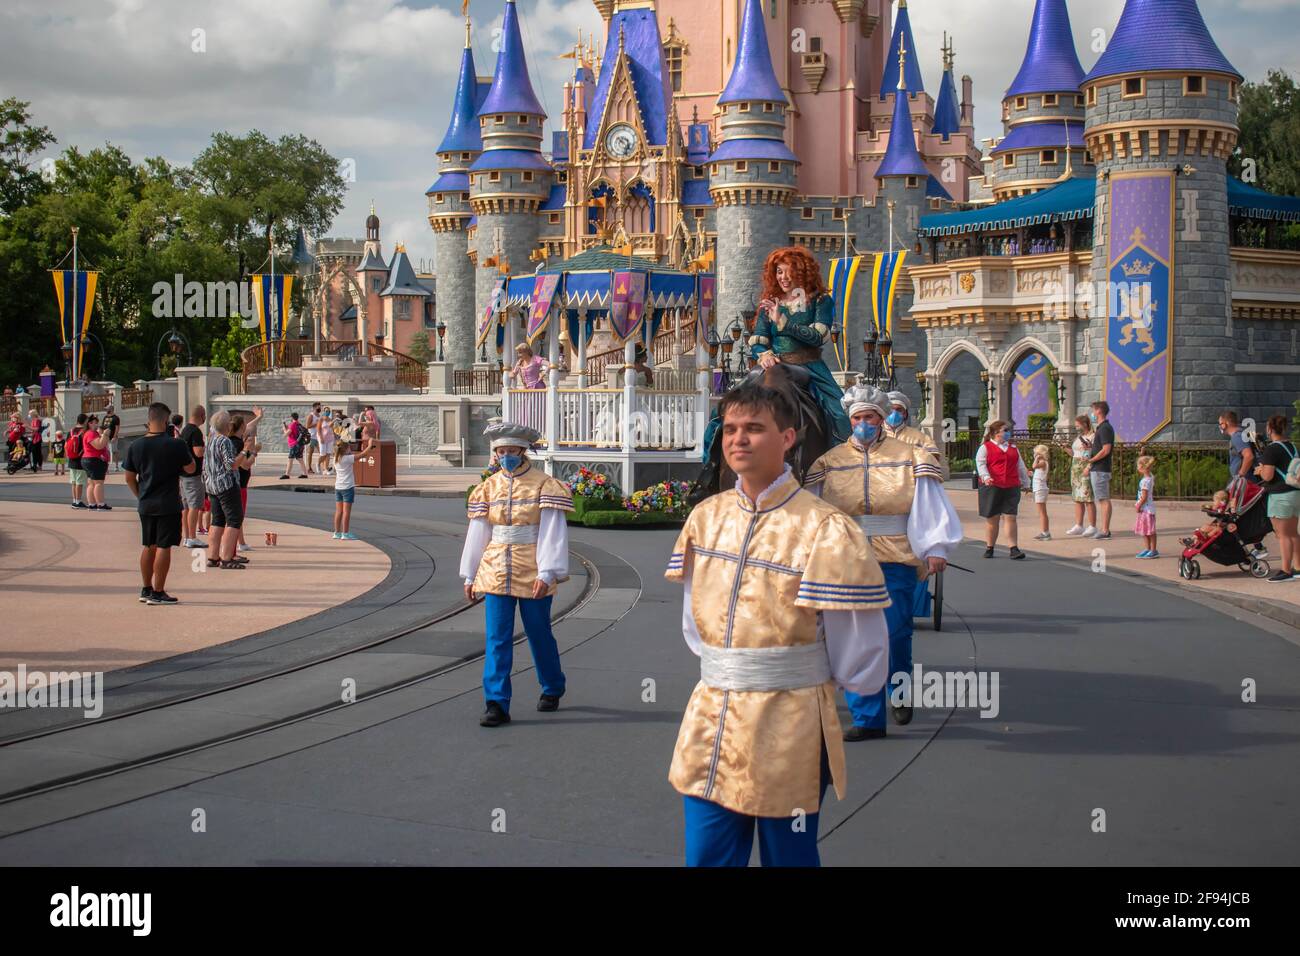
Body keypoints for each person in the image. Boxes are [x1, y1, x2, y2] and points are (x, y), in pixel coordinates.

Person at [665, 382, 890, 866]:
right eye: (730, 429)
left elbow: (860, 645)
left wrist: (807, 679)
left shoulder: (826, 528)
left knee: (788, 856)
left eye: (754, 429)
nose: (738, 440)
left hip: (790, 724)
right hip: (710, 718)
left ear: (788, 438)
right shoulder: (705, 518)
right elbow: (693, 624)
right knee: (706, 856)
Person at [805, 384, 962, 742]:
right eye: (858, 418)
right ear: (850, 420)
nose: (865, 423)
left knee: (895, 633)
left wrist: (935, 546)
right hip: (845, 559)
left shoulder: (911, 456)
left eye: (871, 417)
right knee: (853, 638)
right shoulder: (828, 462)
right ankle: (867, 717)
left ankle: (900, 691)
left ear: (881, 419)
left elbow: (928, 503)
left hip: (895, 557)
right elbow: (812, 513)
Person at [459, 421, 573, 728]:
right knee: (497, 637)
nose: (507, 455)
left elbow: (552, 531)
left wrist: (548, 571)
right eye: (502, 451)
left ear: (523, 451)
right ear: (496, 454)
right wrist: (469, 575)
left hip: (533, 567)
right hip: (496, 567)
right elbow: (479, 531)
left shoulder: (544, 485)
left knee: (538, 632)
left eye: (512, 450)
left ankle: (552, 686)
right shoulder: (488, 487)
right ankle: (496, 702)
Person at [749, 246, 850, 443]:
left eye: (789, 271)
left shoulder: (820, 301)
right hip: (775, 365)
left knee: (841, 413)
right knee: (731, 406)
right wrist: (764, 354)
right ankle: (714, 463)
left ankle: (843, 459)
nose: (783, 277)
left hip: (810, 367)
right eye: (779, 271)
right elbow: (759, 339)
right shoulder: (769, 303)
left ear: (802, 272)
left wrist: (783, 323)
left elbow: (817, 337)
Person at [123, 402, 197, 605]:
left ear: (149, 420)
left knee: (148, 544)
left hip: (146, 502)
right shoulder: (176, 444)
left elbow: (129, 476)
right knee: (164, 546)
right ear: (166, 421)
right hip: (168, 502)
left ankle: (146, 588)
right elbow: (191, 468)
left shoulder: (135, 445)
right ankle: (158, 591)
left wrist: (140, 495)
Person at [203, 410, 256, 570]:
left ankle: (213, 556)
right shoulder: (224, 441)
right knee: (234, 519)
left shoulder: (210, 440)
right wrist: (245, 450)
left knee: (217, 520)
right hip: (226, 485)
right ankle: (227, 557)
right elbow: (231, 464)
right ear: (226, 426)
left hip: (212, 486)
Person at [1254, 415, 1299, 583]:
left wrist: (1260, 471)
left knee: (1283, 535)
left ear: (1270, 429)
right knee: (1294, 533)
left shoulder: (1271, 449)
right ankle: (1298, 567)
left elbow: (1268, 475)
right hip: (1295, 492)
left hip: (1280, 495)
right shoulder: (1292, 446)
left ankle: (1286, 570)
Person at [976, 419, 1030, 559]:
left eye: (1008, 430)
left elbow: (1020, 466)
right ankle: (990, 547)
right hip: (992, 486)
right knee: (993, 518)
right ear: (996, 433)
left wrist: (1026, 482)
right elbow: (981, 464)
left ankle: (1013, 548)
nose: (1008, 433)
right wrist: (986, 477)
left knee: (1010, 516)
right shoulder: (985, 447)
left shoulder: (1013, 448)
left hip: (1011, 485)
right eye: (1005, 430)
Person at [884, 390, 948, 478]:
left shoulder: (920, 437)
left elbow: (934, 459)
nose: (894, 413)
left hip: (911, 484)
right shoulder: (876, 436)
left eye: (899, 410)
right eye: (891, 410)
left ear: (905, 414)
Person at [231, 410, 263, 553]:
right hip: (240, 484)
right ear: (241, 427)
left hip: (237, 483)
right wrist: (254, 451)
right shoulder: (239, 444)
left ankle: (240, 542)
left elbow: (250, 426)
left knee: (236, 516)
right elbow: (244, 465)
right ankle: (237, 544)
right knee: (238, 516)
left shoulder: (233, 439)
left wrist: (259, 417)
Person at [1082, 401, 1115, 539]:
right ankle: (1104, 529)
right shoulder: (1101, 428)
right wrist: (1091, 448)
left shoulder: (1105, 428)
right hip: (1098, 468)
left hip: (1101, 469)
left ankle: (1105, 530)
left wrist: (1091, 460)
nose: (1092, 414)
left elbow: (1106, 450)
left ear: (1099, 411)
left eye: (1093, 411)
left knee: (1103, 499)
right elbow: (1101, 447)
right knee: (1101, 499)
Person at [332, 434, 374, 539]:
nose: (350, 449)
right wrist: (369, 445)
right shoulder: (347, 458)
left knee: (339, 511)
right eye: (349, 447)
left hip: (338, 487)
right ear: (345, 450)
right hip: (348, 488)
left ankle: (337, 532)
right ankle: (345, 533)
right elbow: (363, 455)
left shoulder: (336, 459)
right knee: (346, 512)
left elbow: (355, 454)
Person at [179, 406, 207, 548]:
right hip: (193, 475)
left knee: (185, 507)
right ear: (201, 415)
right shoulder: (195, 431)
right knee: (194, 506)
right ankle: (192, 537)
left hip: (183, 475)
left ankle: (186, 537)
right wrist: (207, 447)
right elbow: (198, 452)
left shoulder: (185, 430)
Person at [1067, 414, 1097, 537]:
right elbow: (1074, 453)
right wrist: (1066, 449)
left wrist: (1089, 467)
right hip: (1076, 467)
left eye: (1078, 424)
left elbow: (1093, 453)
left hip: (1085, 466)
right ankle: (1079, 525)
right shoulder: (1080, 437)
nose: (1076, 426)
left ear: (1084, 424)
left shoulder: (1093, 436)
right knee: (1077, 498)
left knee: (1087, 497)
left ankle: (1092, 526)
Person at [80, 414, 111, 510]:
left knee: (91, 483)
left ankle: (92, 504)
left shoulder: (88, 433)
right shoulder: (91, 433)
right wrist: (105, 434)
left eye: (97, 422)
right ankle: (100, 504)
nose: (96, 424)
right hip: (94, 460)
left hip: (88, 459)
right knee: (98, 483)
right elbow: (99, 445)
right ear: (89, 423)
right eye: (93, 422)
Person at [1220, 411, 1258, 487]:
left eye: (1221, 424)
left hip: (1245, 482)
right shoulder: (1242, 434)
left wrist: (1240, 475)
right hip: (1247, 480)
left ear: (1226, 423)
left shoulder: (1237, 437)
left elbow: (1249, 456)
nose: (1220, 426)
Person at [1133, 454, 1158, 559]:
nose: (1137, 468)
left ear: (1143, 468)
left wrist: (1138, 505)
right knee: (1145, 530)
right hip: (1148, 509)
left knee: (1149, 531)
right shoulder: (1150, 477)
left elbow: (1144, 497)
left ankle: (1153, 550)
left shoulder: (1145, 481)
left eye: (1138, 466)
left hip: (1146, 509)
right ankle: (1148, 549)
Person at [66, 414, 87, 508]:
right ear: (85, 421)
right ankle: (78, 501)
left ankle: (74, 500)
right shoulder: (85, 431)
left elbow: (66, 445)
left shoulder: (71, 431)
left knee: (74, 481)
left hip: (71, 459)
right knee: (79, 482)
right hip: (80, 459)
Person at [280, 412, 310, 479]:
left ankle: (287, 474)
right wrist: (287, 428)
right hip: (300, 444)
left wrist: (284, 429)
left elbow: (286, 435)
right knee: (300, 459)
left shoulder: (293, 424)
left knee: (290, 459)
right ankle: (305, 474)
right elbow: (293, 432)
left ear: (292, 418)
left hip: (294, 445)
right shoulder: (299, 424)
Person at [1032, 444, 1051, 541]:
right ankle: (1044, 531)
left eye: (1036, 453)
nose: (1034, 455)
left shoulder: (1043, 462)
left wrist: (1037, 458)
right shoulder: (1042, 463)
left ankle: (1045, 532)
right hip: (1039, 488)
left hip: (1040, 489)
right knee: (1041, 512)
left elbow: (1034, 466)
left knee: (1042, 512)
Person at [101, 404, 121, 473]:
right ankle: (106, 468)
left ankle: (116, 466)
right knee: (106, 452)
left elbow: (117, 428)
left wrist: (114, 437)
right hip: (105, 437)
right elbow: (103, 427)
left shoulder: (116, 418)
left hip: (112, 437)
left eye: (107, 409)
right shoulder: (105, 417)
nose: (106, 411)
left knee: (114, 451)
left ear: (111, 410)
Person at [317, 404, 336, 476]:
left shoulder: (330, 419)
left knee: (328, 454)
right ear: (324, 411)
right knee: (323, 454)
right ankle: (318, 463)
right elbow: (318, 429)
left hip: (330, 438)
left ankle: (326, 469)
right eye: (326, 411)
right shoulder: (321, 419)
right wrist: (321, 438)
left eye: (328, 411)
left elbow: (332, 428)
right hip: (323, 438)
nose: (327, 412)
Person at [304, 402, 322, 476]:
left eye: (320, 407)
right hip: (312, 437)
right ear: (314, 408)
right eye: (318, 407)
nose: (320, 408)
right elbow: (307, 426)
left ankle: (321, 466)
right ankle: (309, 468)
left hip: (319, 436)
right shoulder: (311, 416)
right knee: (310, 453)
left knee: (322, 453)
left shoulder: (319, 415)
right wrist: (316, 424)